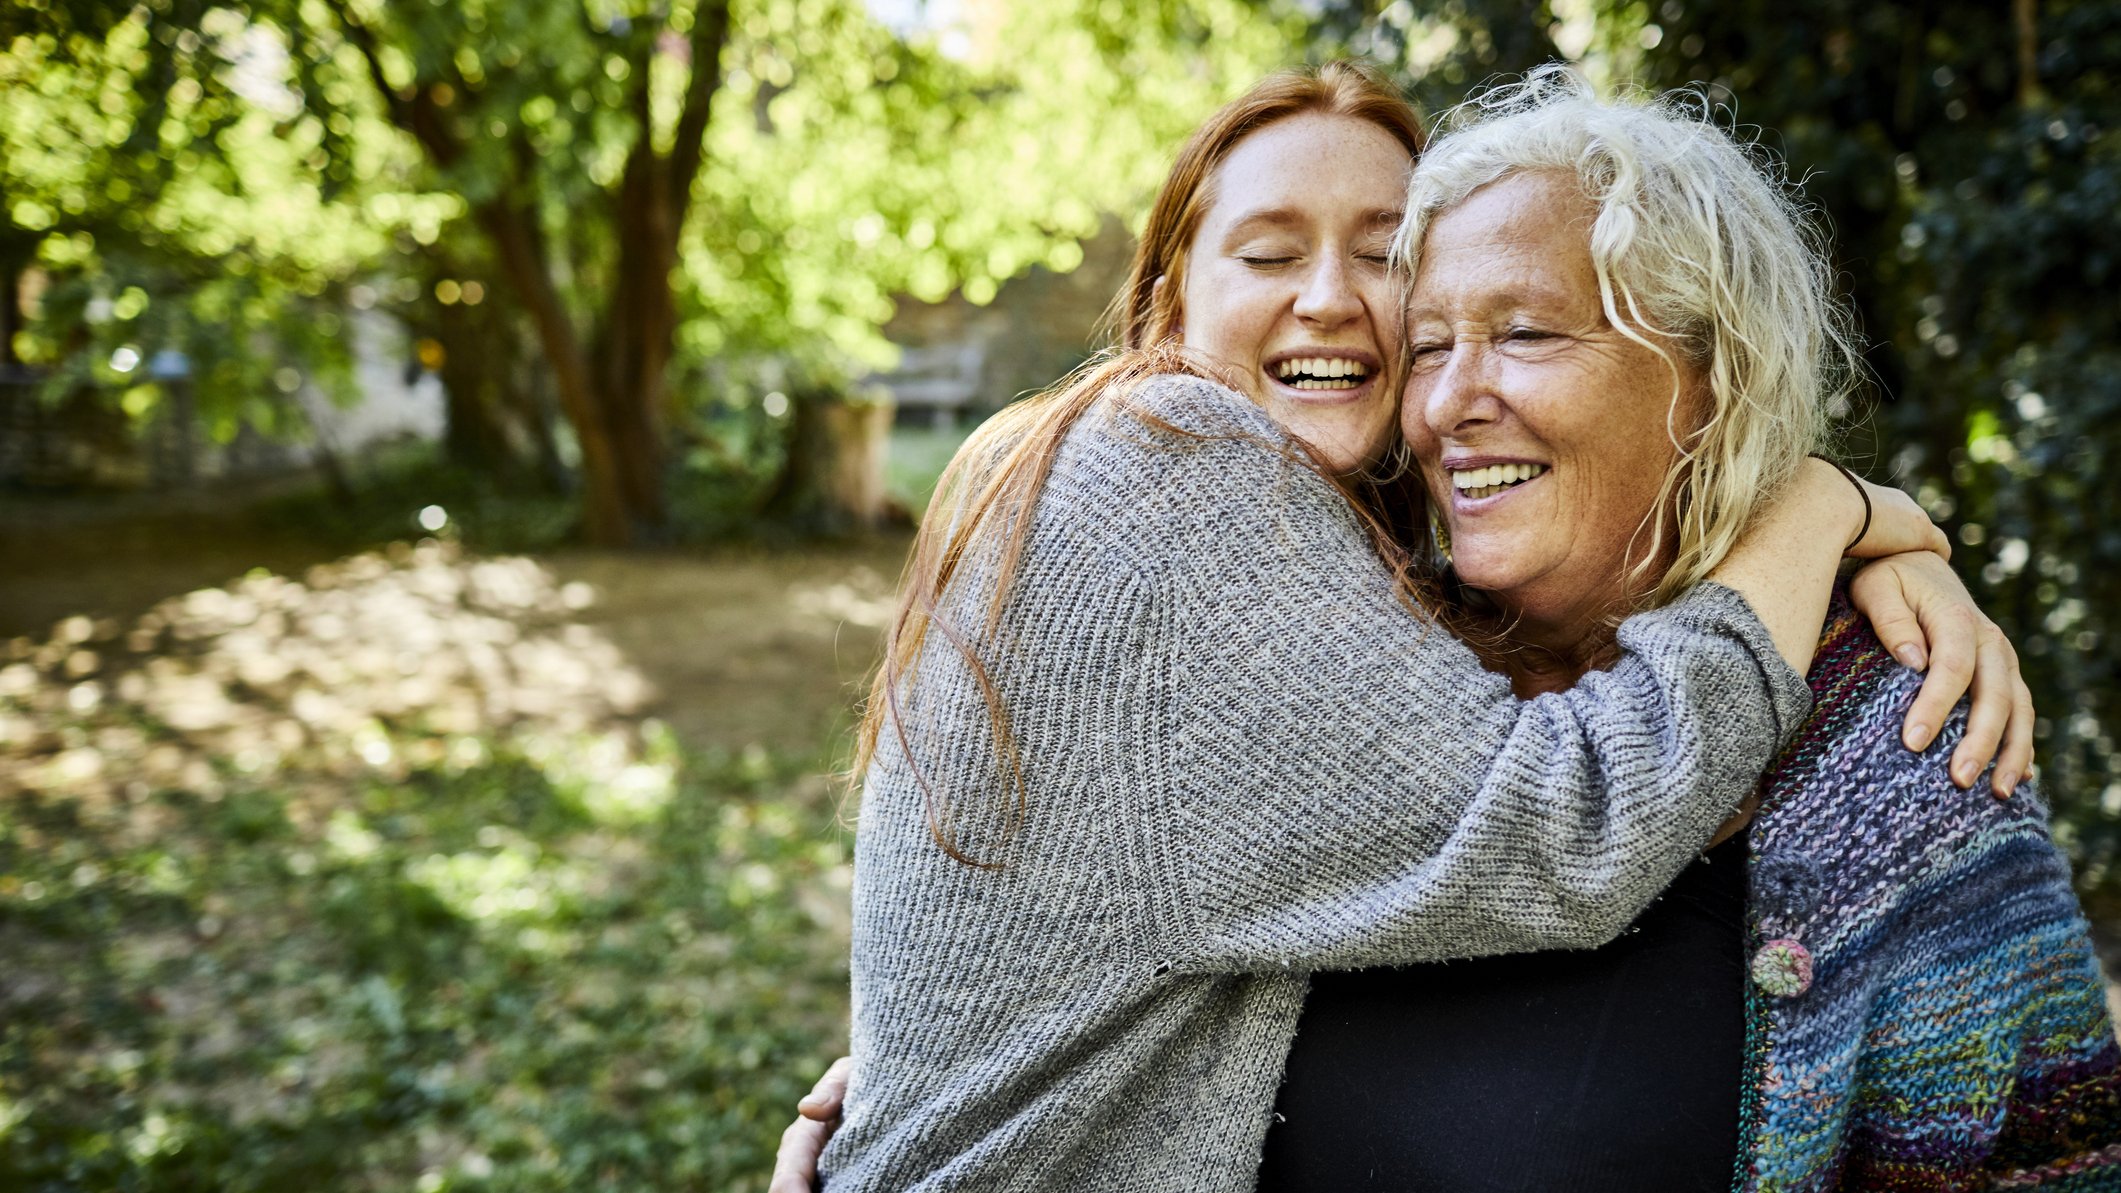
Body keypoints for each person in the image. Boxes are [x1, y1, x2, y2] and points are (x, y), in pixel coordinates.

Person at [779, 63, 2037, 1192]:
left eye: (1387, 259)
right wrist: (1821, 506)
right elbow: (1563, 823)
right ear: (1168, 304)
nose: (1334, 301)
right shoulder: (1168, 463)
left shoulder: (1390, 616)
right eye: (1269, 253)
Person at [1250, 69, 2120, 1189]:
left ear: (1707, 381)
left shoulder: (1907, 750)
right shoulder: (1343, 671)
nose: (1447, 402)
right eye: (1426, 346)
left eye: (1523, 331)